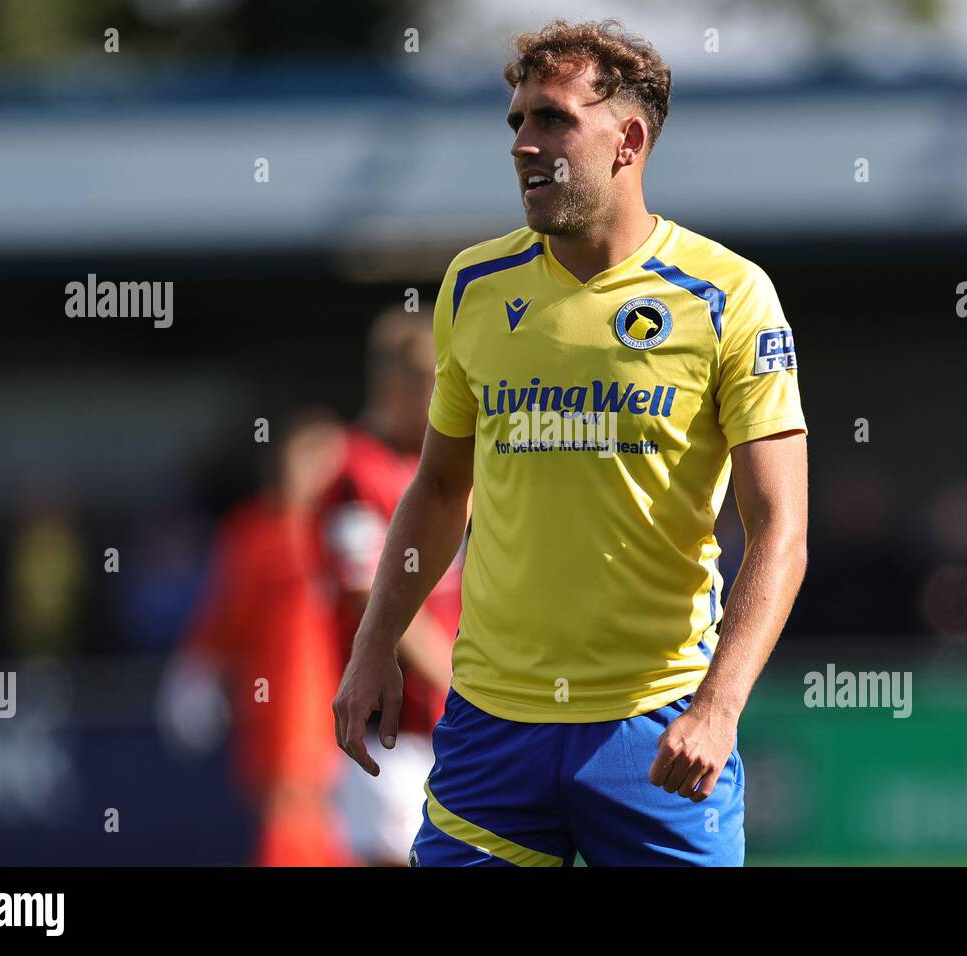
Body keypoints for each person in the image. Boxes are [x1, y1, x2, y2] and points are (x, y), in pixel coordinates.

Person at [332, 18, 808, 867]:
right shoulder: (475, 286)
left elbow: (781, 530)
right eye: (515, 121)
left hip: (655, 725)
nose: (522, 144)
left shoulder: (729, 296)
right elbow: (441, 490)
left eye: (552, 120)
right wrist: (374, 645)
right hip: (491, 727)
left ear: (627, 140)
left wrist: (721, 706)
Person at [165, 409, 350, 866]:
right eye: (307, 459)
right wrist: (197, 671)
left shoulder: (352, 533)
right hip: (285, 711)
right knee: (294, 817)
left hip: (355, 709)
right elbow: (223, 617)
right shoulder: (256, 535)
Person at [315, 307, 463, 866]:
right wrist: (458, 680)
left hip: (445, 723)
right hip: (386, 734)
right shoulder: (355, 470)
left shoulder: (438, 470)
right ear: (394, 384)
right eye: (433, 381)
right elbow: (369, 595)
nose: (443, 398)